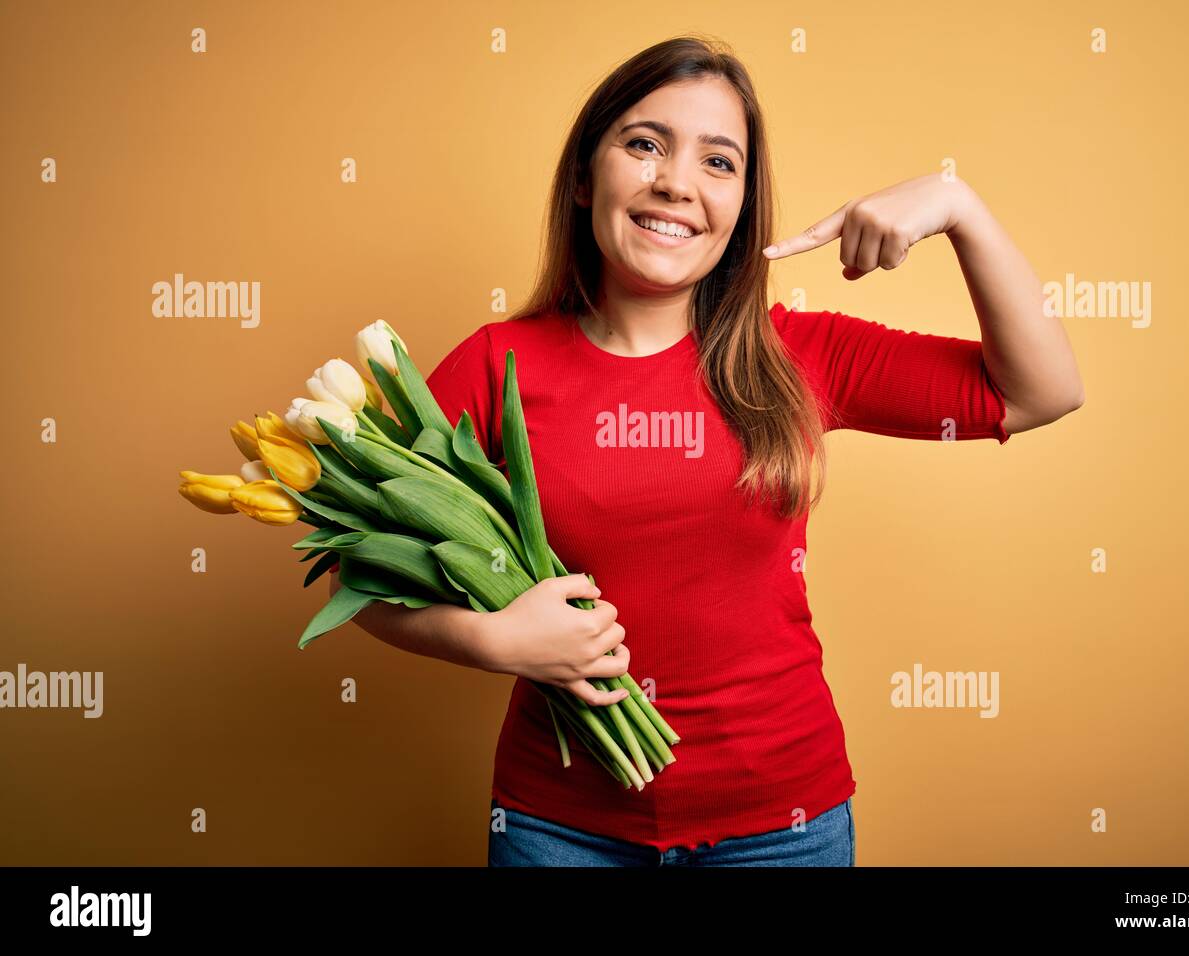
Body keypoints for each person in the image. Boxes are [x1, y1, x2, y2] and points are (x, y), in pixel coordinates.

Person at [330, 34, 1084, 867]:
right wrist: (495, 642)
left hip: (783, 830)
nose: (676, 183)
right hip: (557, 830)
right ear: (585, 178)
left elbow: (1039, 391)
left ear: (742, 206)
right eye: (645, 143)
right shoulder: (494, 364)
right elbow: (357, 571)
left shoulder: (797, 355)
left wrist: (959, 207)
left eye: (719, 163)